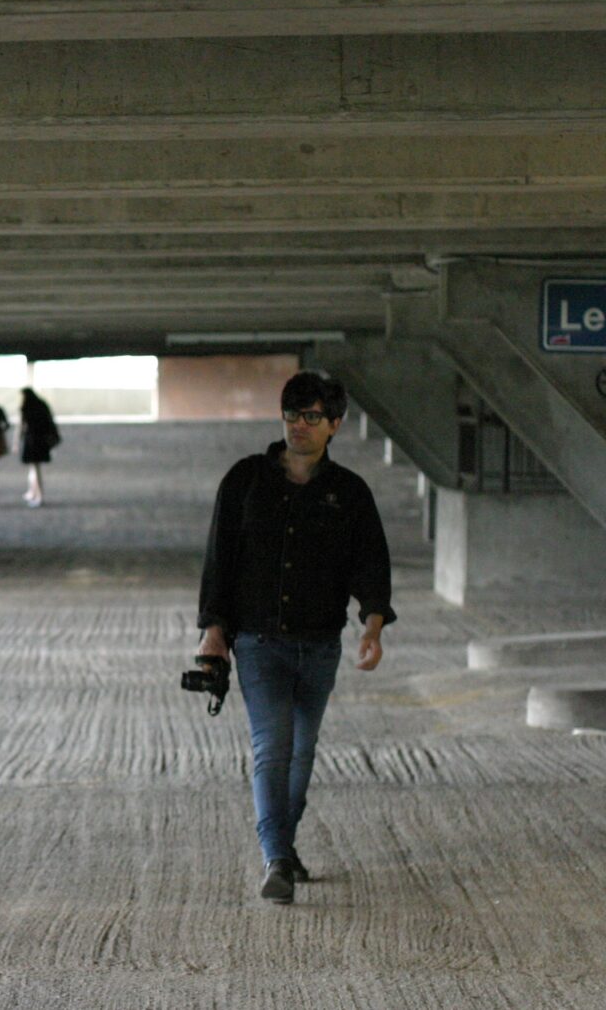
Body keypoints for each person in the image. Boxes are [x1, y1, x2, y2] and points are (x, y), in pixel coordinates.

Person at [196, 371, 394, 905]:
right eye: (291, 414)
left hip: (321, 645)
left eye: (311, 417)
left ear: (335, 424)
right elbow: (219, 563)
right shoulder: (244, 482)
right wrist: (213, 634)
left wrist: (372, 626)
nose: (299, 426)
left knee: (302, 754)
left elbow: (370, 565)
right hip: (259, 642)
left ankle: (284, 841)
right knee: (272, 747)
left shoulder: (348, 493)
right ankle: (276, 859)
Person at [18, 387, 59, 507]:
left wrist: (18, 439)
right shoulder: (41, 404)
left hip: (31, 440)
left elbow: (22, 425)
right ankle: (33, 492)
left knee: (35, 468)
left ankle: (38, 495)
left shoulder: (26, 407)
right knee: (35, 467)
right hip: (40, 440)